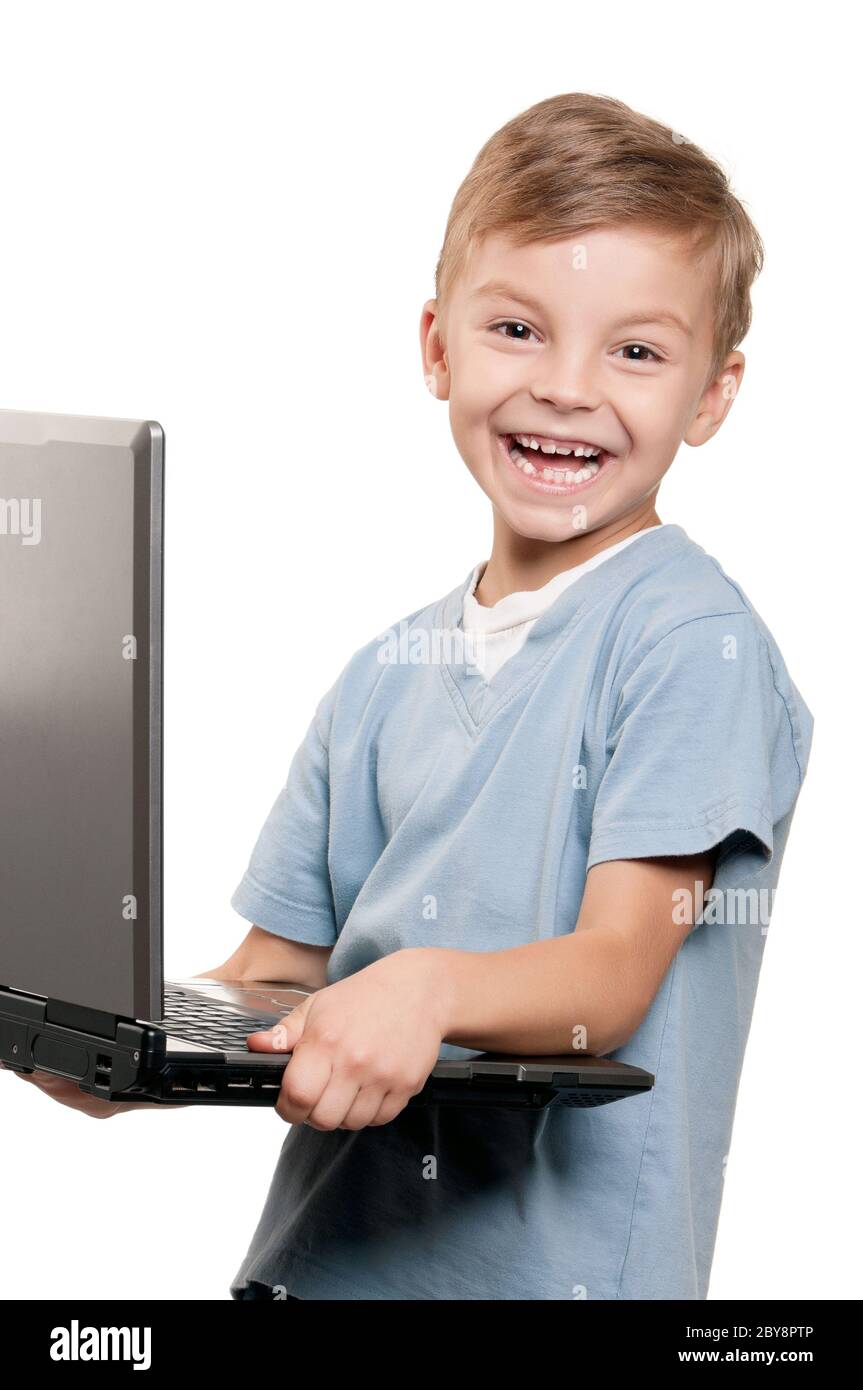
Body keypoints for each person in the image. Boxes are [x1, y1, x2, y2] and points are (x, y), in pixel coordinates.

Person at [10, 92, 813, 1301]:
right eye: (516, 330)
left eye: (635, 350)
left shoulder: (689, 644)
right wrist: (137, 1043)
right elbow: (277, 973)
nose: (566, 387)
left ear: (711, 395)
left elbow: (611, 977)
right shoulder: (384, 675)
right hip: (319, 1275)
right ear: (437, 346)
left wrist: (426, 987)